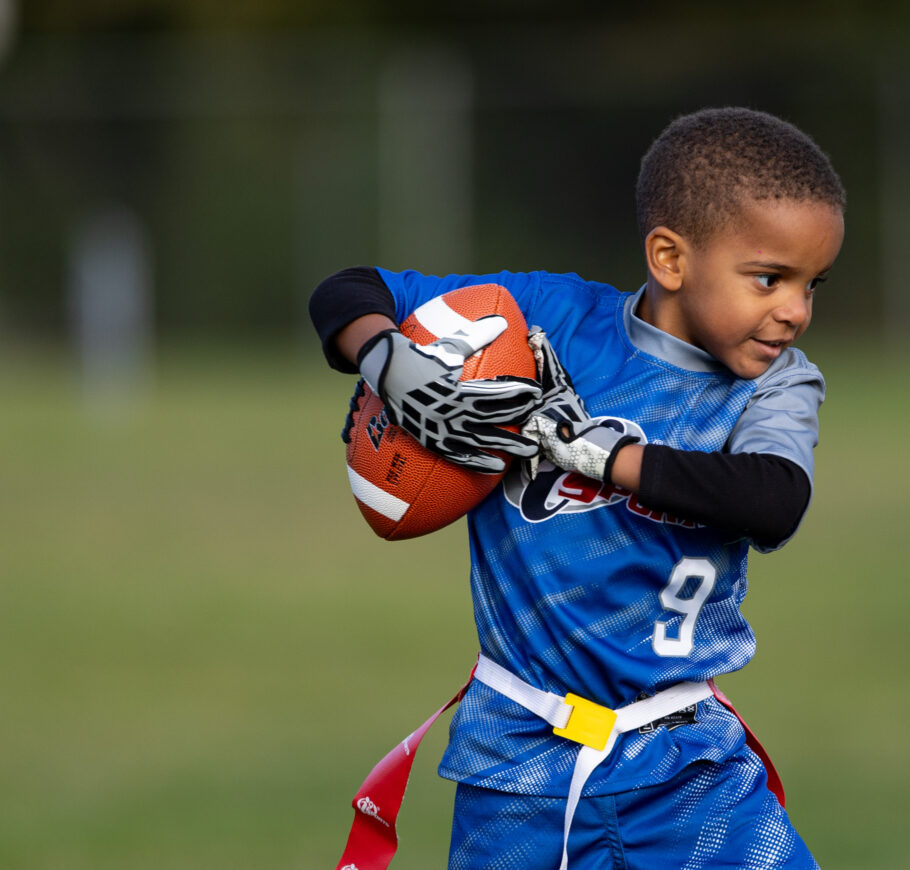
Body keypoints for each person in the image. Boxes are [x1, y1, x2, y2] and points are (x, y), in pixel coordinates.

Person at [309, 106, 846, 870]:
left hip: (687, 768)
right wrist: (389, 362)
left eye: (811, 284)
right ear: (670, 258)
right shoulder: (548, 317)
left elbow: (772, 500)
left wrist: (595, 452)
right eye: (769, 279)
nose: (795, 311)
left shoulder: (777, 387)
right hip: (516, 769)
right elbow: (349, 290)